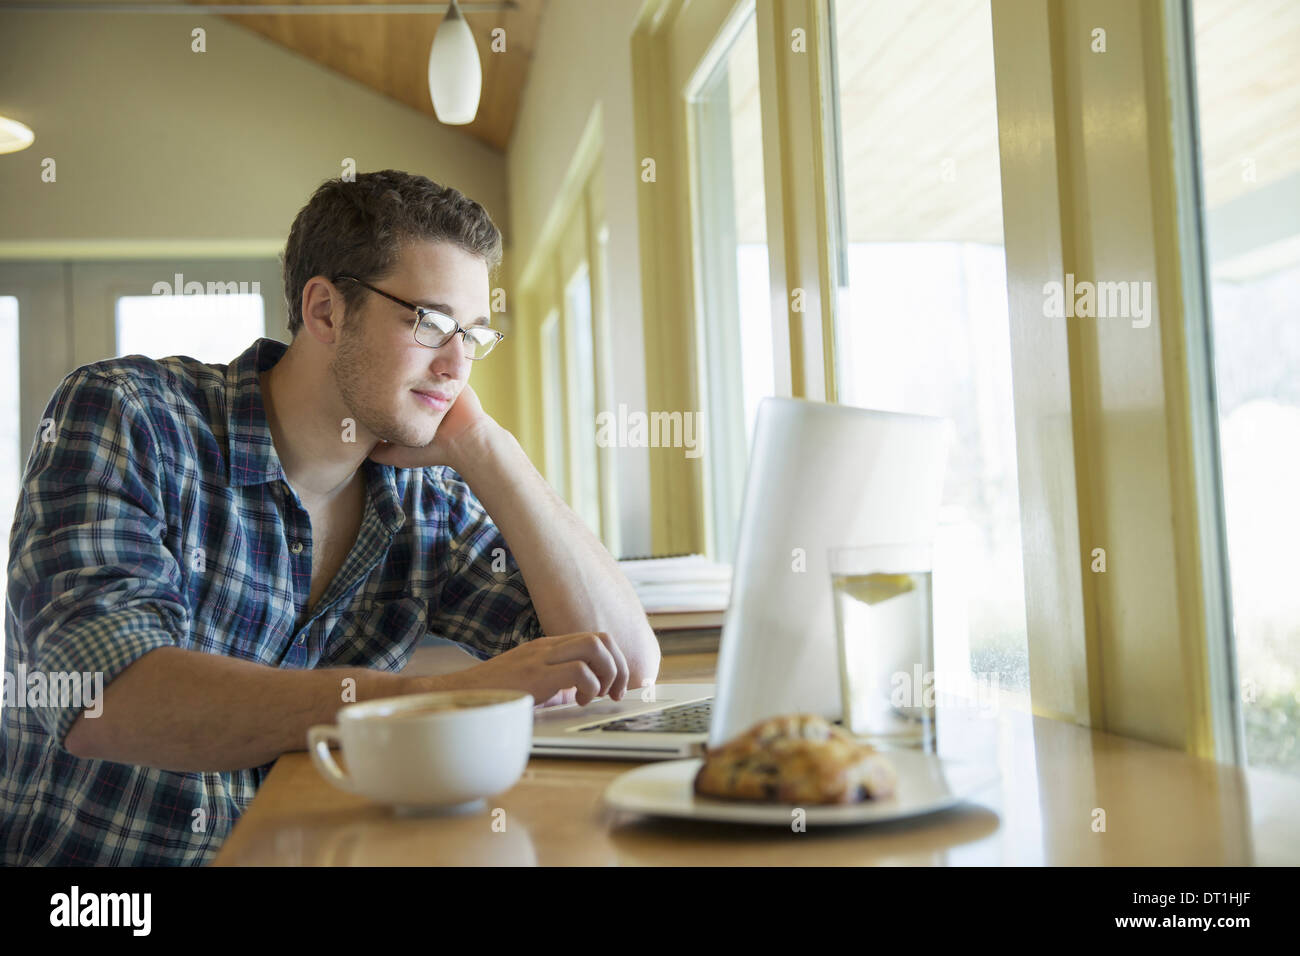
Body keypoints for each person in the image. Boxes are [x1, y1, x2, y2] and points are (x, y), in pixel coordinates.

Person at [0, 169, 660, 865]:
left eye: (473, 336)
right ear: (325, 313)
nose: (455, 365)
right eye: (432, 324)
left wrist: (488, 448)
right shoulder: (130, 415)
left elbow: (622, 663)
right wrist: (440, 697)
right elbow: (102, 699)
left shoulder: (423, 495)